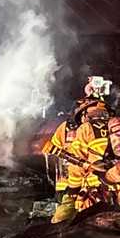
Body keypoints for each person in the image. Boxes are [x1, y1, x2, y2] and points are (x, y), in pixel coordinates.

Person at [43, 76, 118, 223]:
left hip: (87, 189)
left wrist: (73, 191)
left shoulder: (83, 129)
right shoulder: (112, 126)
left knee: (77, 223)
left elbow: (67, 163)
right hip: (103, 187)